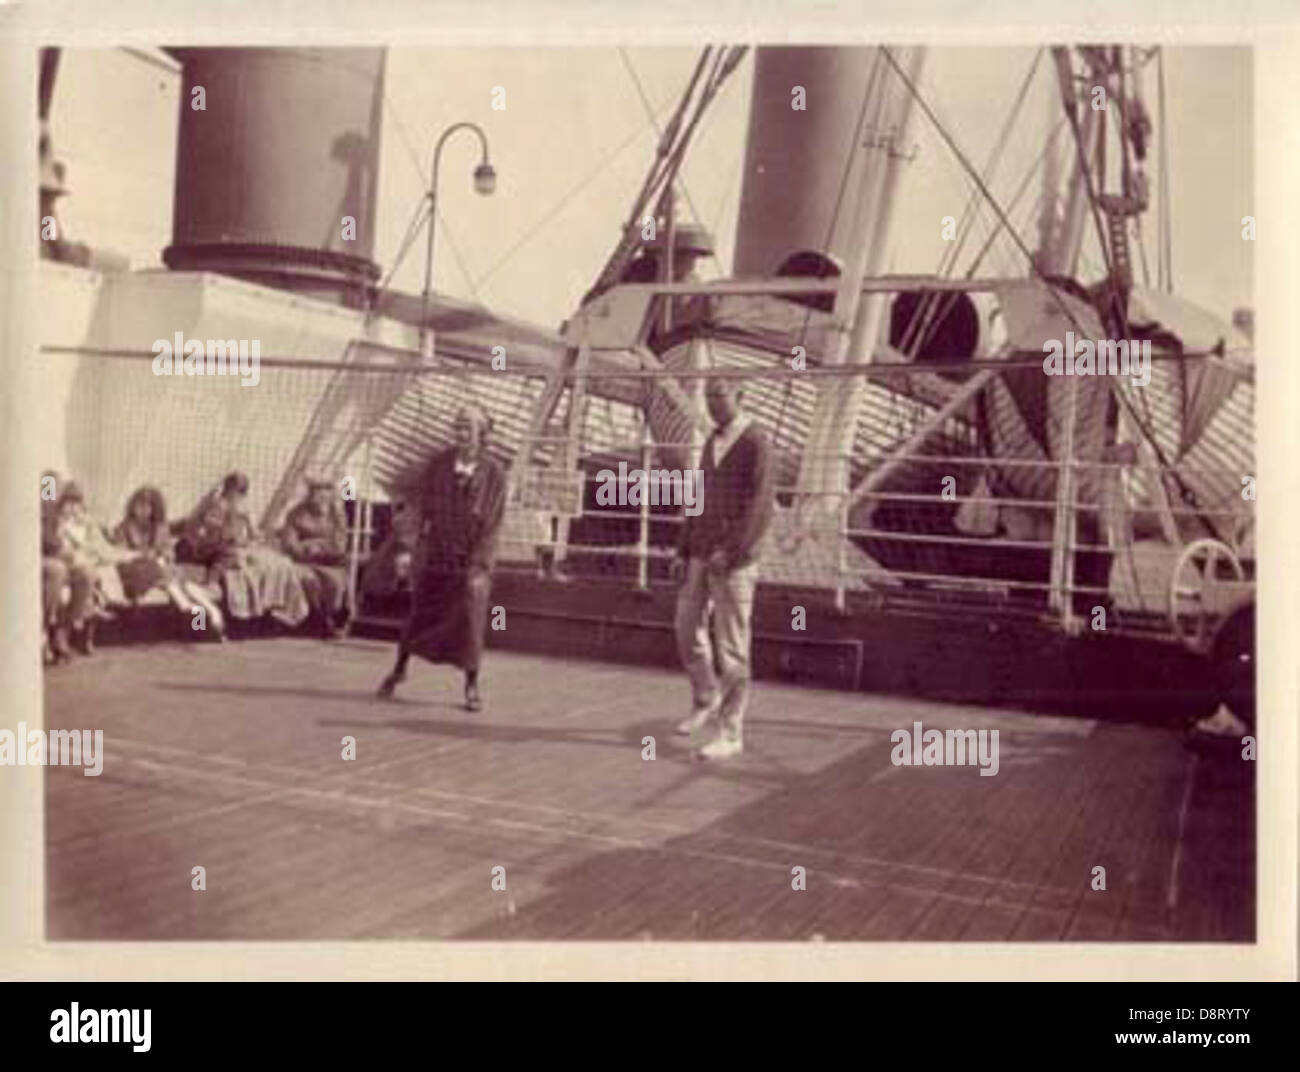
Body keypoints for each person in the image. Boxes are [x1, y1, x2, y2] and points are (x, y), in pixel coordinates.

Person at [376, 405, 507, 711]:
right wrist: (407, 549)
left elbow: (493, 525)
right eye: (458, 427)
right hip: (437, 554)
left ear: (482, 435)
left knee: (471, 621)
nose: (461, 434)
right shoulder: (438, 465)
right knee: (418, 615)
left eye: (468, 428)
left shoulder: (494, 474)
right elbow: (418, 508)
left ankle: (471, 685)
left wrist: (479, 567)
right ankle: (398, 670)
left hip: (472, 560)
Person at [672, 376, 774, 760]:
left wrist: (731, 551)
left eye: (720, 396)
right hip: (699, 551)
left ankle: (731, 732)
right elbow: (696, 498)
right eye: (709, 396)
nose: (713, 403)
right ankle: (705, 696)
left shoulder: (755, 442)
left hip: (734, 562)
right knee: (685, 627)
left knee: (731, 647)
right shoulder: (712, 443)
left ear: (741, 397)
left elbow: (761, 507)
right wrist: (682, 549)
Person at [178, 471, 310, 632]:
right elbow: (210, 529)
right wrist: (229, 531)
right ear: (228, 490)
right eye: (235, 492)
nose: (238, 496)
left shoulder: (243, 510)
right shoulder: (219, 505)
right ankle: (212, 583)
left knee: (272, 562)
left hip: (235, 545)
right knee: (232, 556)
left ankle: (279, 607)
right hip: (211, 546)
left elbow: (253, 534)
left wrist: (253, 528)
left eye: (241, 493)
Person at [111, 485, 225, 637]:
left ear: (154, 508)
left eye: (147, 506)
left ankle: (201, 622)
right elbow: (120, 553)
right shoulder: (123, 528)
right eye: (139, 505)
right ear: (132, 505)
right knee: (172, 579)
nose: (142, 510)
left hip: (161, 571)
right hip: (136, 571)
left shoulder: (160, 527)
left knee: (183, 584)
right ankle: (199, 613)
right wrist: (144, 556)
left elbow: (168, 551)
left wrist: (164, 556)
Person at [279, 475, 350, 639]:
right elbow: (289, 543)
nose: (319, 498)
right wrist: (307, 548)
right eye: (315, 493)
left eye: (324, 493)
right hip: (303, 562)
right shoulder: (296, 514)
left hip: (329, 563)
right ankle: (319, 620)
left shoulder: (336, 515)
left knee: (336, 583)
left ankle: (333, 618)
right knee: (309, 581)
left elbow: (339, 544)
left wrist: (318, 547)